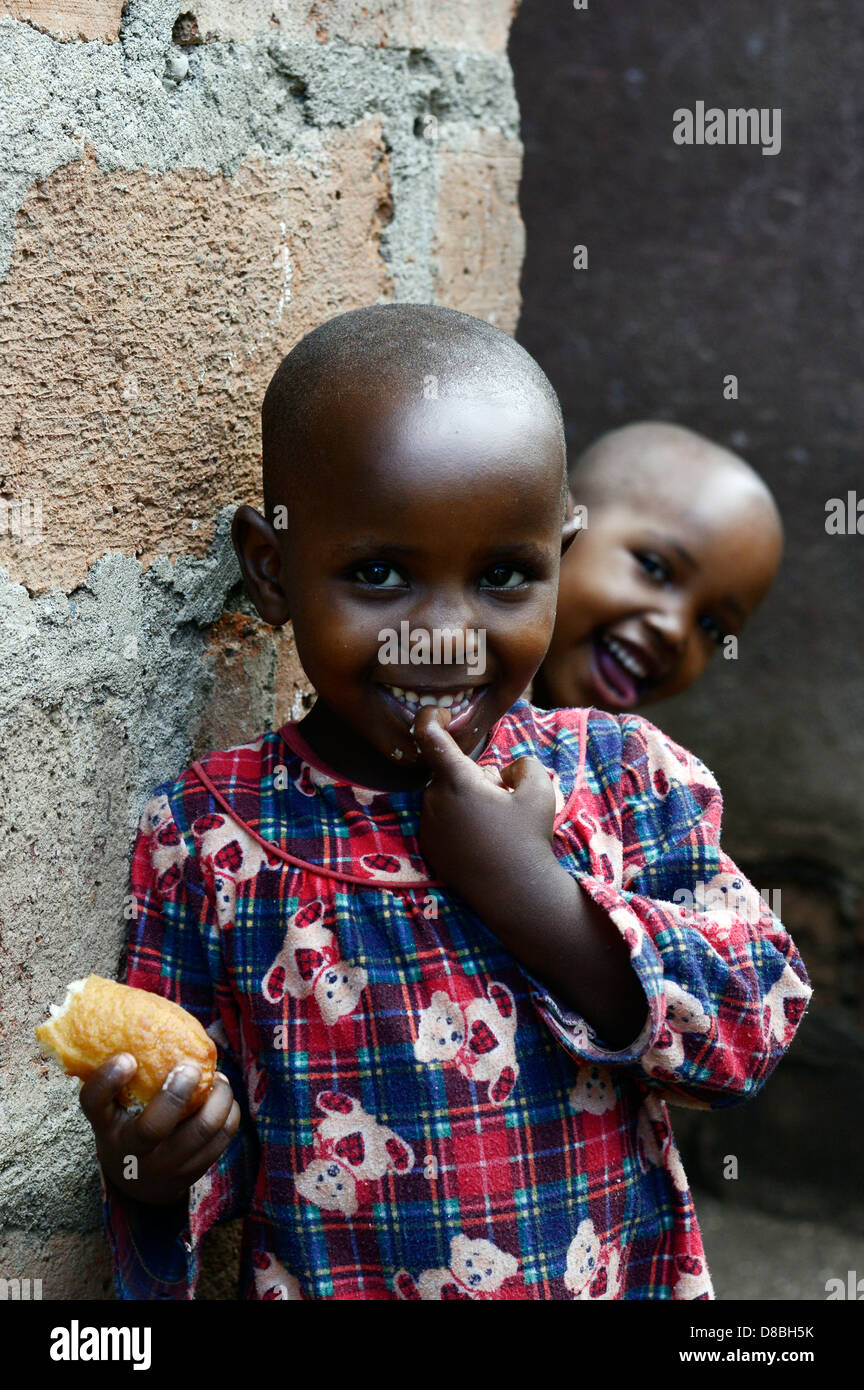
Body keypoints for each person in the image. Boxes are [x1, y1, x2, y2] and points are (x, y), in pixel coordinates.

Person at [80, 304, 810, 1300]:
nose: (445, 637)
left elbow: (755, 1019)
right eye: (379, 572)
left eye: (506, 574)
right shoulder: (208, 837)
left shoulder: (624, 774)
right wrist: (153, 1166)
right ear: (272, 567)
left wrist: (537, 897)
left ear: (559, 553)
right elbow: (193, 1150)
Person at [531, 422, 783, 714]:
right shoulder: (467, 657)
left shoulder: (636, 757)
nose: (675, 630)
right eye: (655, 569)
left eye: (712, 628)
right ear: (561, 521)